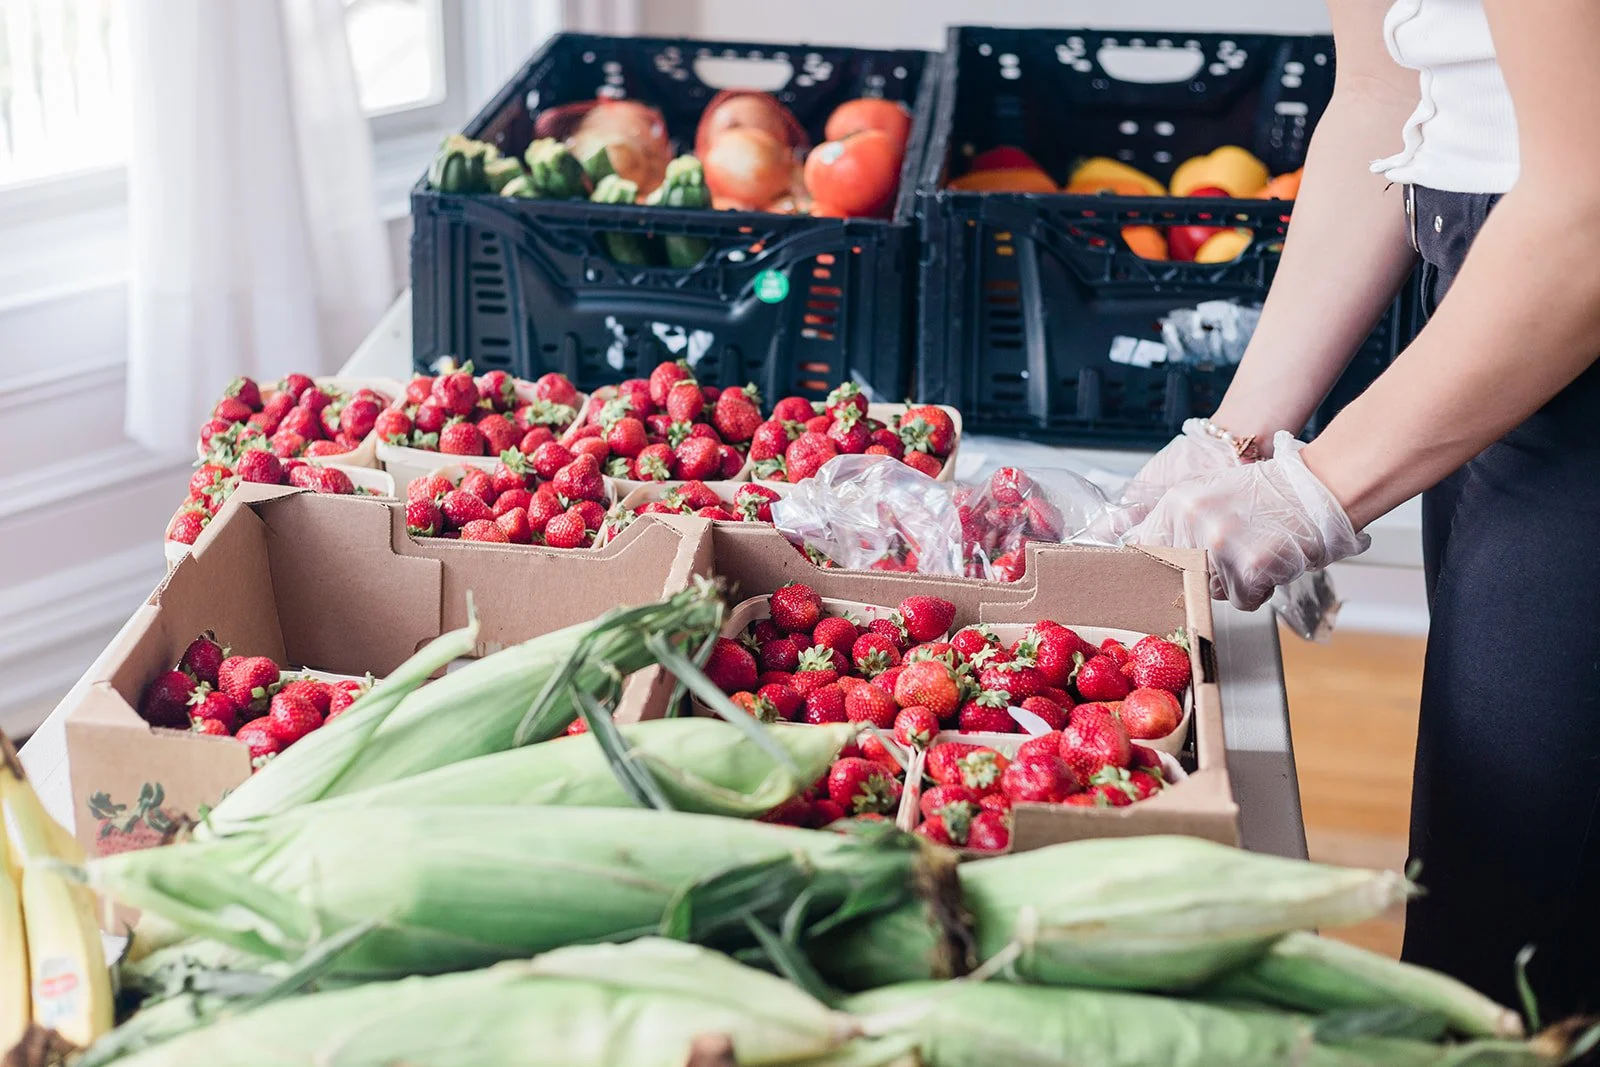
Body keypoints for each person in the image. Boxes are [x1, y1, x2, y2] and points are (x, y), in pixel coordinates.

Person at [1122, 0, 1600, 1016]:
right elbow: (1384, 91)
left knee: (1523, 930)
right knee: (1481, 851)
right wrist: (1236, 437)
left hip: (1564, 291)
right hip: (1486, 284)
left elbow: (1587, 208)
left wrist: (1315, 489)